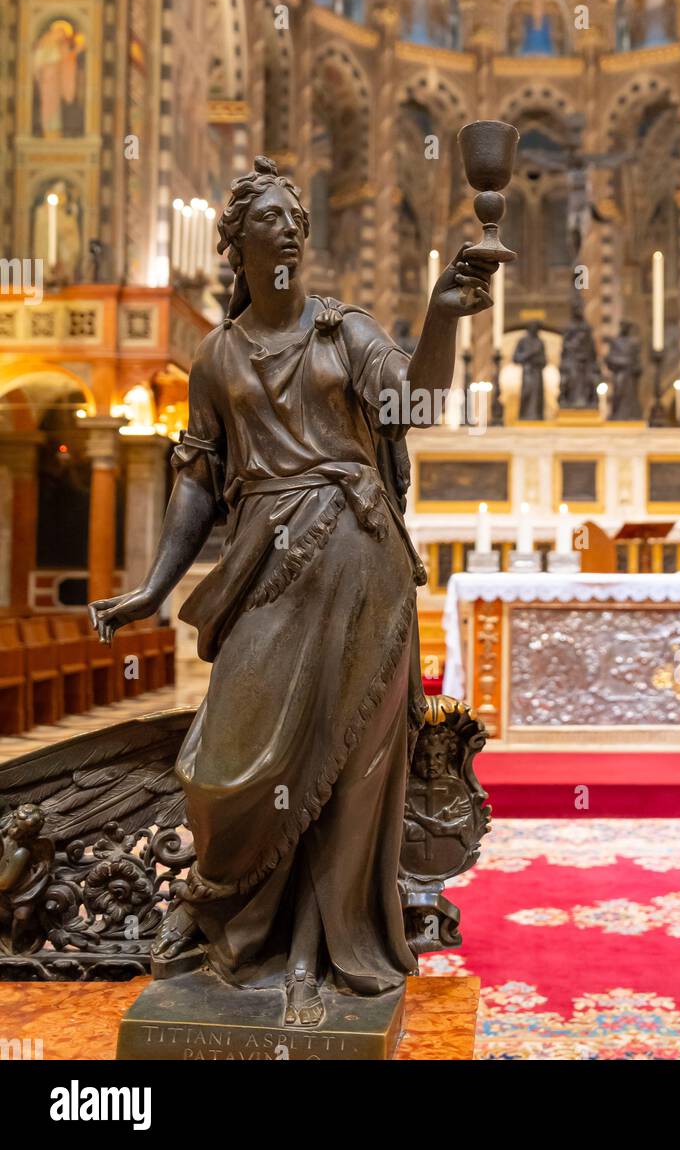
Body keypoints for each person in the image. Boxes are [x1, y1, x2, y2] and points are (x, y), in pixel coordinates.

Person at [89, 154, 497, 1025]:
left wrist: (440, 319)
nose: (293, 227)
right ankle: (231, 921)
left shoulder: (343, 332)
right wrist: (153, 588)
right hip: (266, 567)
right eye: (273, 216)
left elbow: (412, 406)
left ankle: (333, 942)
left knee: (352, 766)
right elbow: (198, 482)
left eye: (298, 217)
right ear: (236, 245)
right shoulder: (214, 357)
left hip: (360, 563)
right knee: (227, 763)